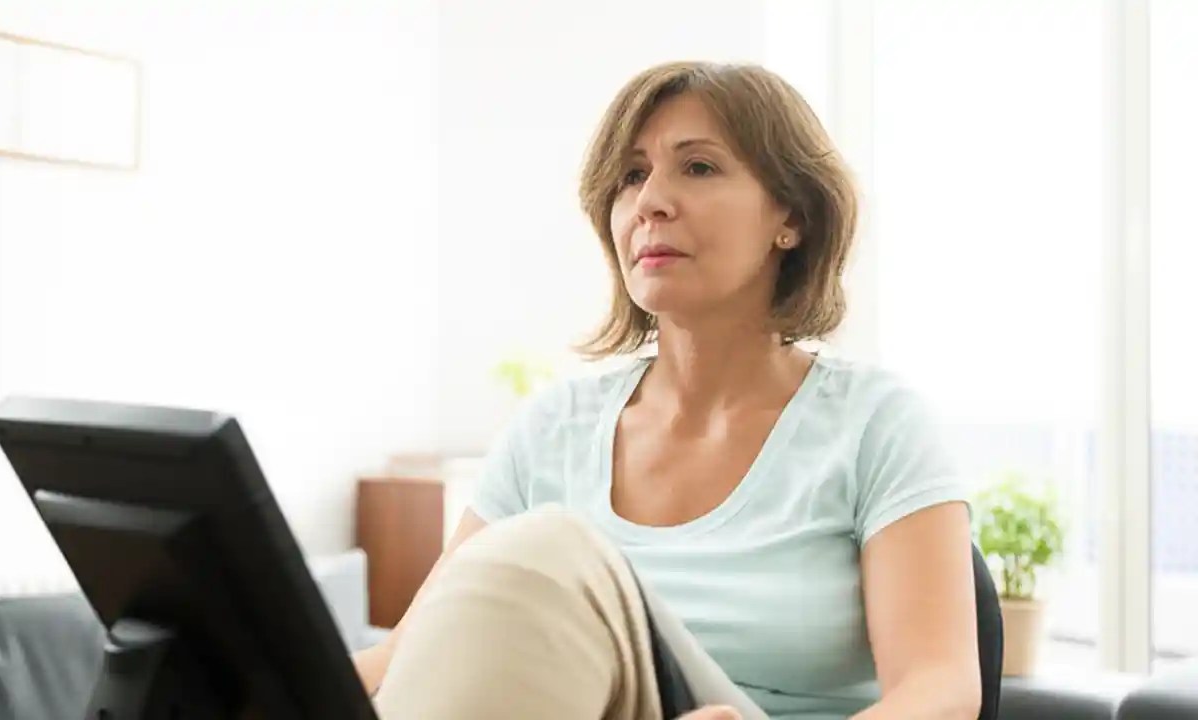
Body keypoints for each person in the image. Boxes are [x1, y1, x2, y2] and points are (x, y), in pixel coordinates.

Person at [351, 61, 982, 720]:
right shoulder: (551, 428)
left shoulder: (874, 422)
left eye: (699, 167)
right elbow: (409, 658)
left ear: (790, 216)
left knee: (545, 548)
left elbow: (941, 689)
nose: (650, 200)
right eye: (631, 176)